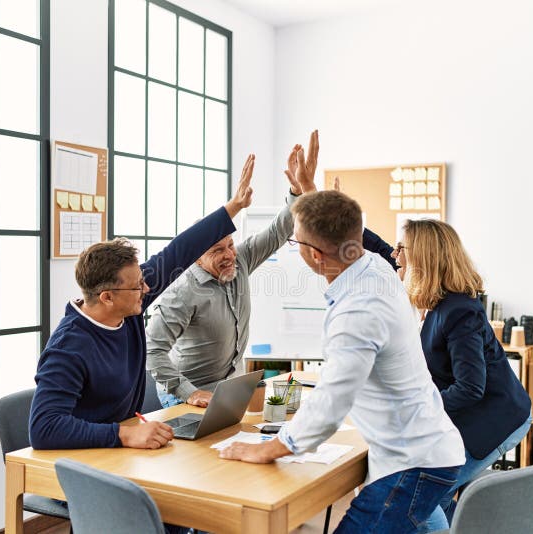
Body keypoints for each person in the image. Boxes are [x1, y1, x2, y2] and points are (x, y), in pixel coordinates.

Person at [219, 190, 465, 534]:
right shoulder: (376, 268)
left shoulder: (357, 313)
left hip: (413, 463)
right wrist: (310, 190)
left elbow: (332, 400)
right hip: (425, 450)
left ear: (315, 255)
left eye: (296, 241)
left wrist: (270, 449)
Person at [28, 155, 257, 451]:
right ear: (107, 297)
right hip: (85, 466)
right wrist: (122, 435)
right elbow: (43, 429)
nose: (147, 288)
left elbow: (179, 251)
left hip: (124, 450)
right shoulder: (68, 347)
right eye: (138, 285)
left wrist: (234, 206)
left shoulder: (128, 302)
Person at [366, 218, 532, 528]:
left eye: (402, 249)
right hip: (468, 415)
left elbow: (470, 389)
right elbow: (381, 249)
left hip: (494, 420)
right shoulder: (436, 300)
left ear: (424, 259)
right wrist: (326, 210)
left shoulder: (459, 311)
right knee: (432, 500)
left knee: (416, 499)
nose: (395, 256)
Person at [145, 133, 320, 408]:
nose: (229, 255)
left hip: (228, 390)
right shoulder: (182, 292)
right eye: (217, 250)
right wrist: (187, 391)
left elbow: (277, 231)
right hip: (187, 395)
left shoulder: (241, 261)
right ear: (196, 256)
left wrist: (298, 193)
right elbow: (152, 350)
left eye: (230, 245)